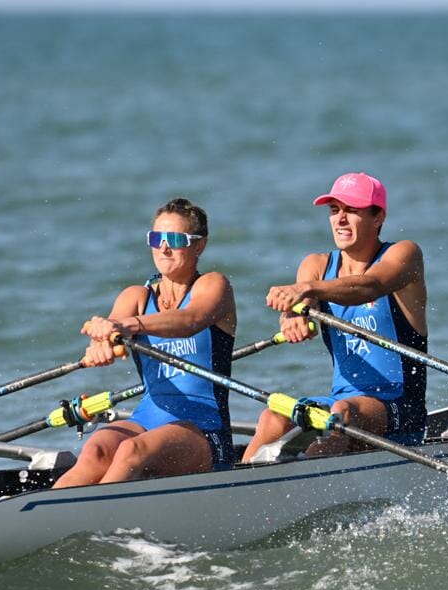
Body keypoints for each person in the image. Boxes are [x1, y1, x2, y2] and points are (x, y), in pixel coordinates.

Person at [242, 172, 427, 462]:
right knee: (273, 417)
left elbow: (370, 287)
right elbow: (298, 308)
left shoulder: (404, 254)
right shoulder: (316, 265)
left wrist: (305, 289)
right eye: (334, 210)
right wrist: (292, 319)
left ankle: (302, 479)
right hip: (342, 402)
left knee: (343, 413)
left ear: (378, 217)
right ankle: (236, 493)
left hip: (400, 408)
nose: (340, 219)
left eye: (352, 211)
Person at [54, 198, 237, 487]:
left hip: (204, 429)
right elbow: (111, 334)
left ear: (199, 245)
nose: (163, 248)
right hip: (147, 417)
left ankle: (91, 525)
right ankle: (48, 519)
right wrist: (101, 344)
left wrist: (125, 326)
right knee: (98, 448)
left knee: (130, 450)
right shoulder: (136, 297)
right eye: (156, 238)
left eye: (175, 239)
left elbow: (190, 321)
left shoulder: (213, 285)